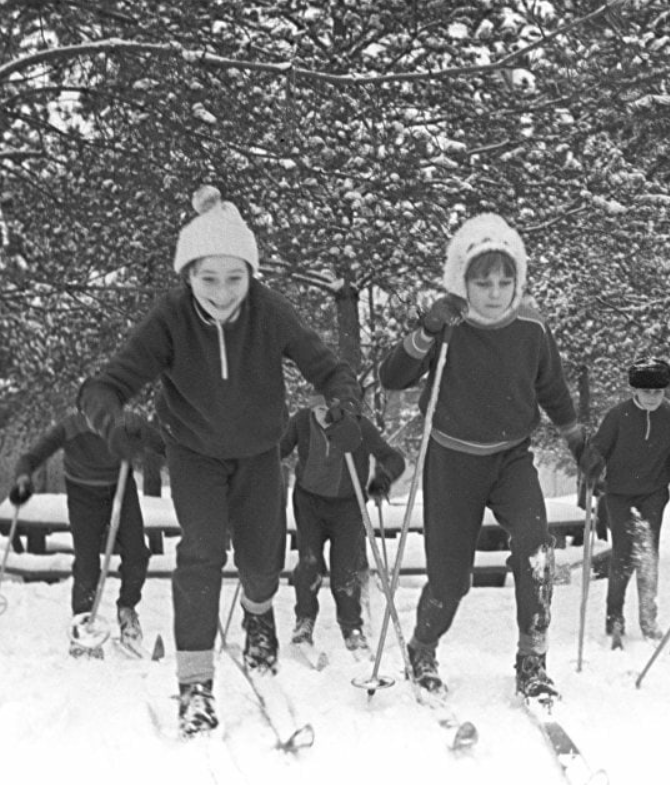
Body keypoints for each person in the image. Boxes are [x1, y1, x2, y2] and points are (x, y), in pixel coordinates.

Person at [77, 186, 362, 738]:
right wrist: (114, 424)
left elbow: (328, 369)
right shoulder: (170, 318)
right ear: (188, 275)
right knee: (201, 554)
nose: (223, 292)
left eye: (236, 279)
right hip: (194, 454)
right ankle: (195, 686)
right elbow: (103, 387)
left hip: (259, 452)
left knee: (263, 560)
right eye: (209, 279)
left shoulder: (269, 310)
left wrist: (344, 404)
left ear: (251, 276)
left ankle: (258, 616)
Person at [378, 213, 586, 702]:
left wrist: (578, 440)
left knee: (536, 549)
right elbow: (393, 376)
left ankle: (532, 660)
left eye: (504, 281)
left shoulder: (532, 328)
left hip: (510, 458)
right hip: (452, 461)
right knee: (450, 581)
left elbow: (552, 389)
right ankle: (423, 648)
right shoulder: (448, 326)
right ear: (461, 281)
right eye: (482, 281)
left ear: (518, 281)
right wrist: (425, 330)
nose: (494, 292)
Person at [8, 412, 165, 658]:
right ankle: (83, 624)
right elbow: (31, 457)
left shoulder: (124, 421)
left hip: (120, 488)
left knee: (137, 552)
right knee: (87, 561)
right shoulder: (69, 427)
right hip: (83, 493)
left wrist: (146, 439)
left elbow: (163, 446)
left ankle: (127, 611)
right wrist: (23, 477)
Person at [578, 357, 670, 644]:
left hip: (654, 494)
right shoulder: (618, 416)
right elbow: (598, 448)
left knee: (647, 556)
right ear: (635, 390)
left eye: (658, 392)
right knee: (623, 556)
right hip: (619, 495)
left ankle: (648, 618)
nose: (653, 397)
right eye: (647, 392)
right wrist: (592, 467)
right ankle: (614, 617)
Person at [280, 394, 406, 656]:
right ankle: (304, 621)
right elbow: (276, 450)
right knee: (309, 563)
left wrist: (383, 479)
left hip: (348, 507)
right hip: (309, 502)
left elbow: (394, 459)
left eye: (330, 410)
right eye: (318, 409)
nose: (324, 416)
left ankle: (352, 628)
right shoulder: (302, 422)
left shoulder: (358, 426)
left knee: (345, 570)